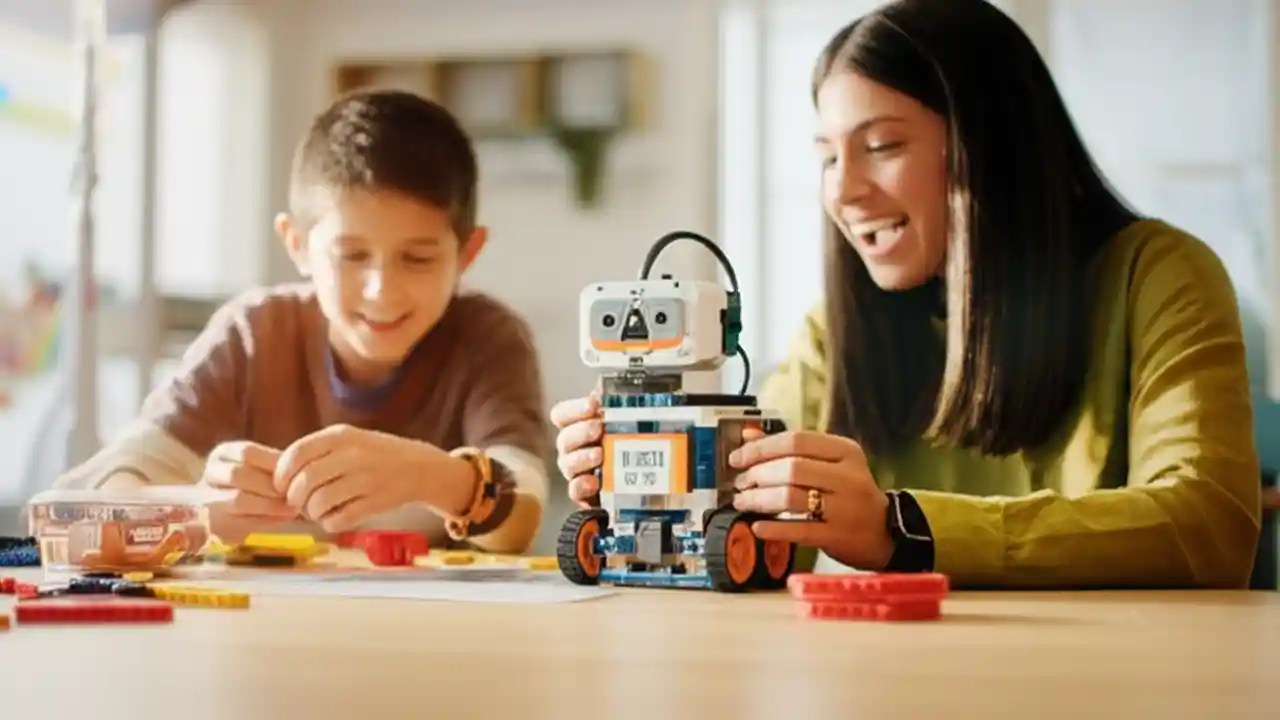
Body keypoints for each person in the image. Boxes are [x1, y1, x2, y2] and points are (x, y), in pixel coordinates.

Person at [551, 0, 1261, 588]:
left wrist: (904, 528)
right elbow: (770, 540)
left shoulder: (1158, 275)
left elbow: (1206, 526)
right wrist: (652, 476)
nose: (843, 189)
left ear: (992, 146)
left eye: (883, 146)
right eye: (827, 154)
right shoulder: (836, 330)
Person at [54, 89, 550, 554]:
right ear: (296, 244)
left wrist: (433, 476)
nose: (382, 291)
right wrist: (196, 509)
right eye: (351, 255)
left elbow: (521, 514)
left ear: (468, 253)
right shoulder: (253, 336)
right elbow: (83, 503)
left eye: (417, 259)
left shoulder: (487, 338)